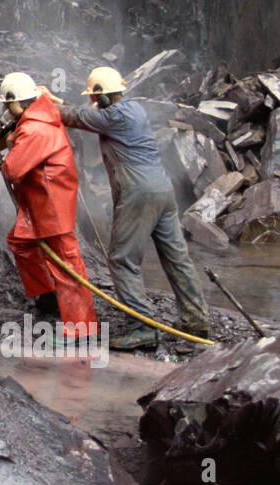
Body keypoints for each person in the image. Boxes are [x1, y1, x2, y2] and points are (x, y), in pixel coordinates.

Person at [57, 66, 211, 351]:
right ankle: (196, 320)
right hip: (163, 192)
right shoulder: (133, 110)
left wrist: (46, 103)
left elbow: (76, 117)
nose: (92, 101)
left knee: (121, 259)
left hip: (138, 194)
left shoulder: (114, 115)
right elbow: (84, 113)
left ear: (103, 97)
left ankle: (142, 327)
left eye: (94, 96)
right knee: (177, 258)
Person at [0, 72, 98, 341]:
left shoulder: (34, 128)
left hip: (50, 204)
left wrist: (7, 150)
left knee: (66, 263)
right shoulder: (40, 114)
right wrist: (12, 140)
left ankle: (81, 329)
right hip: (44, 198)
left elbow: (13, 170)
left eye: (8, 105)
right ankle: (49, 297)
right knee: (21, 242)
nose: (6, 110)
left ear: (18, 102)